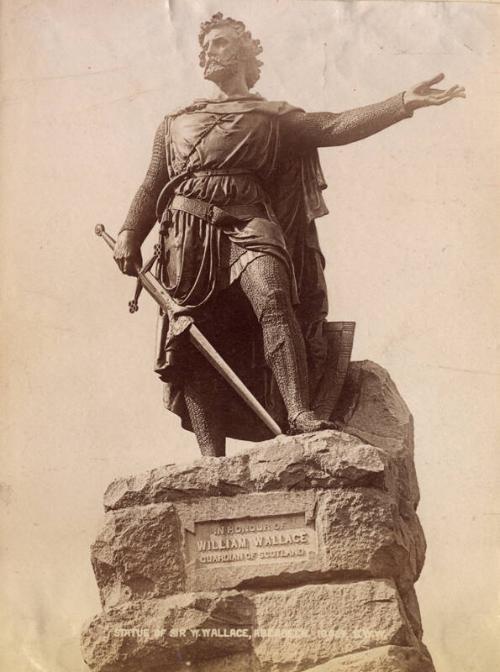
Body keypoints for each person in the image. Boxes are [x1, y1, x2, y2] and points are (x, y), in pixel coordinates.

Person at [113, 13, 465, 457]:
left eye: (219, 43)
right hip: (186, 237)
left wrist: (401, 103)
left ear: (244, 52)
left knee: (274, 298)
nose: (206, 53)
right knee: (195, 333)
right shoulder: (175, 122)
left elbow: (333, 126)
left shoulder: (273, 118)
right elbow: (153, 183)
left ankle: (299, 412)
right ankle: (210, 459)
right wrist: (129, 232)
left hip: (249, 220)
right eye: (203, 47)